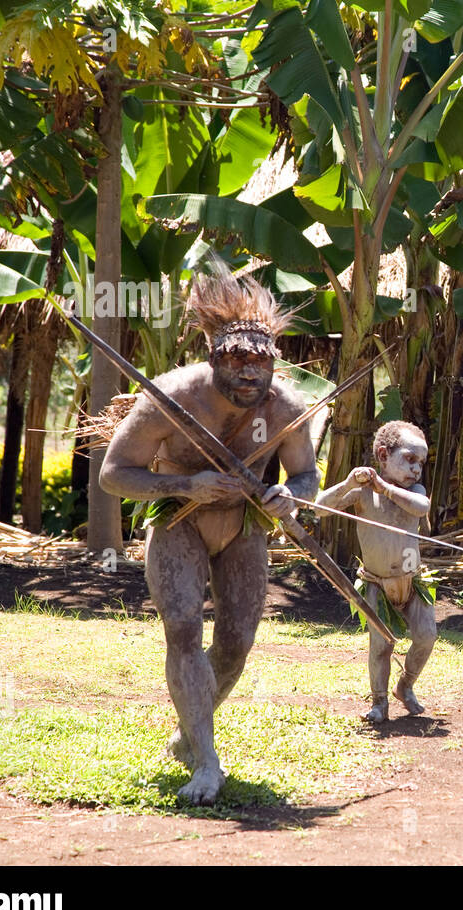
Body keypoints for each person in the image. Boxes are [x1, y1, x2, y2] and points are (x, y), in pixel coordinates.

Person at [100, 273, 317, 805]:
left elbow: (306, 474)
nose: (249, 375)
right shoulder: (172, 398)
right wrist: (184, 485)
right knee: (182, 628)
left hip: (244, 525)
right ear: (214, 359)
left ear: (273, 363)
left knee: (237, 643)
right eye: (237, 364)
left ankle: (191, 729)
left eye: (260, 365)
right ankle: (206, 760)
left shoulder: (285, 407)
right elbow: (113, 472)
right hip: (179, 520)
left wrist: (288, 496)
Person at [317, 421, 436, 723]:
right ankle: (379, 703)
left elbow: (421, 507)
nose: (416, 469)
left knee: (426, 636)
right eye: (410, 459)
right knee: (381, 644)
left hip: (412, 582)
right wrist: (348, 485)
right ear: (383, 455)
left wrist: (386, 488)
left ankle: (405, 686)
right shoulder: (362, 493)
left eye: (421, 463)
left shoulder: (415, 491)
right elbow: (319, 508)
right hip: (376, 583)